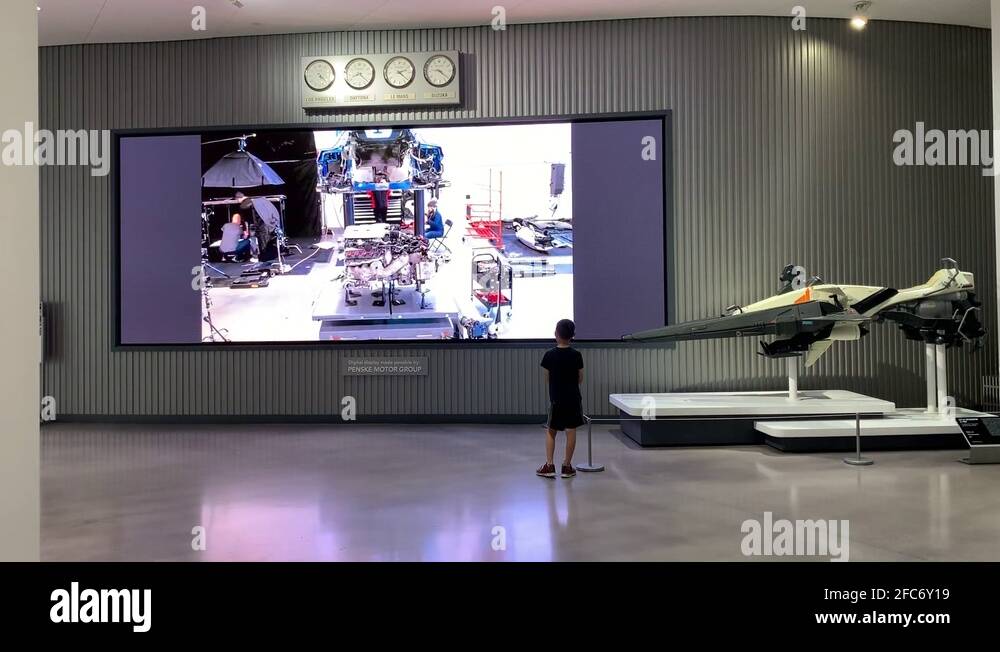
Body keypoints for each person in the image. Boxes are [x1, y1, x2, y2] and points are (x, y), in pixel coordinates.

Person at [537, 319, 584, 479]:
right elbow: (580, 378)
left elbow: (547, 378)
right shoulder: (577, 355)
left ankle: (549, 465)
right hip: (573, 399)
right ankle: (567, 466)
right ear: (572, 336)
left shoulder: (549, 355)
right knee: (571, 431)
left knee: (551, 431)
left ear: (556, 334)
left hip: (556, 400)